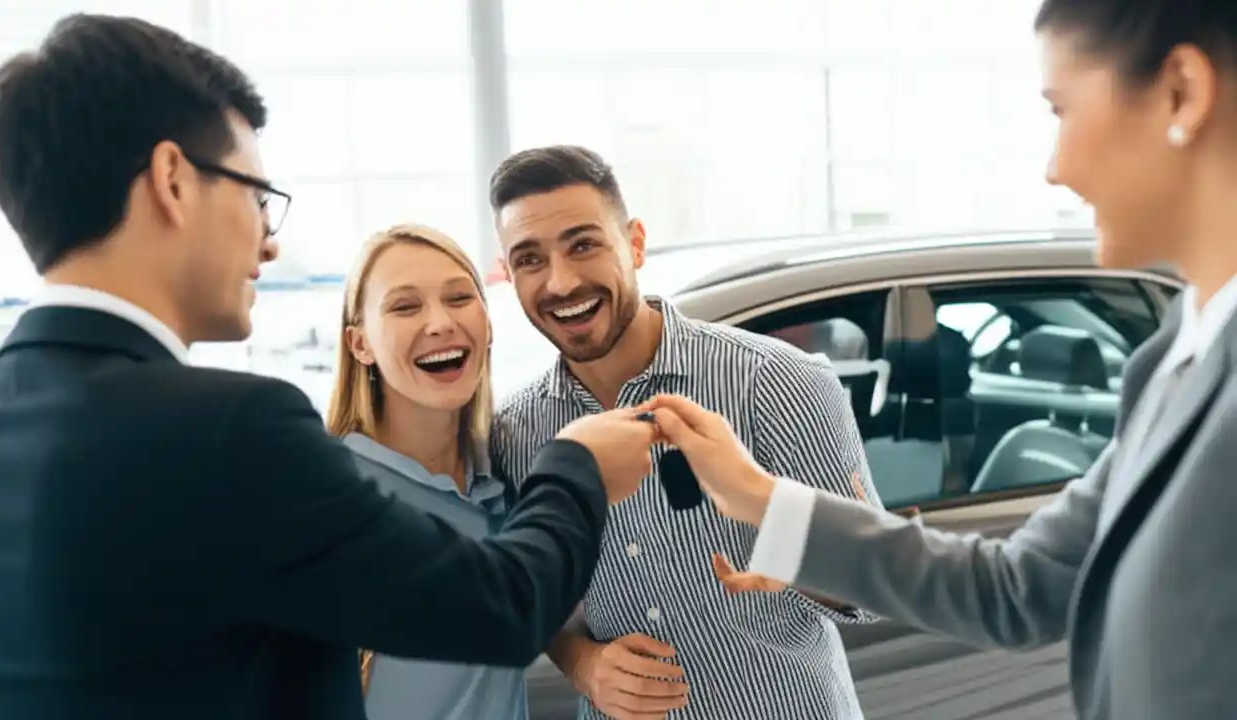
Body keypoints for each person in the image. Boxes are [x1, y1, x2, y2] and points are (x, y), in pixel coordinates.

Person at [0, 14, 660, 719]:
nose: (267, 243)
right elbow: (499, 608)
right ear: (173, 180)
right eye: (255, 197)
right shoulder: (230, 430)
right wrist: (577, 465)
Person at [642, 2, 1237, 718]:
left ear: (1181, 91)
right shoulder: (1176, 354)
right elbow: (1017, 588)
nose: (1056, 168)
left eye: (1060, 109)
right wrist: (760, 499)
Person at [488, 145, 884, 719]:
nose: (561, 281)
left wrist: (803, 552)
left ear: (636, 243)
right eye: (529, 259)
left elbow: (871, 588)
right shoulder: (515, 435)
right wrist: (582, 663)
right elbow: (540, 600)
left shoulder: (779, 381)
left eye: (583, 244)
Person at [324, 224, 528, 720]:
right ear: (360, 344)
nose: (440, 322)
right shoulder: (330, 499)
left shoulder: (507, 474)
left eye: (460, 298)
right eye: (405, 306)